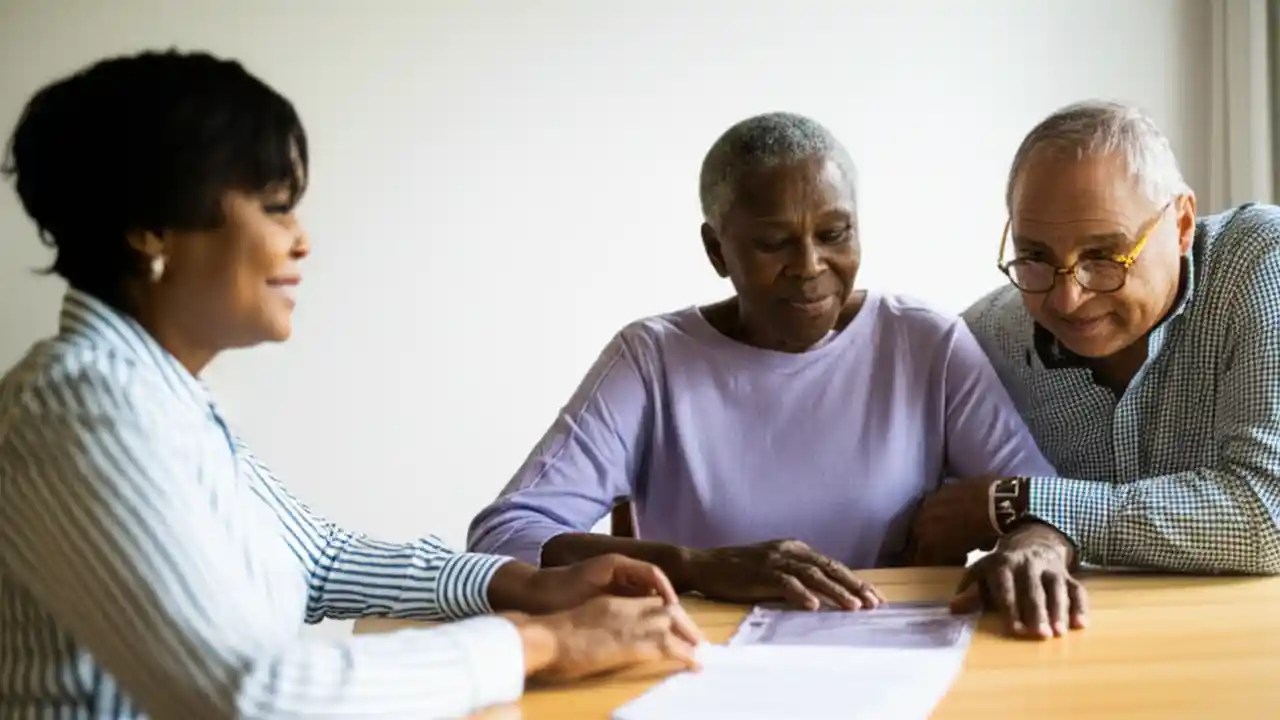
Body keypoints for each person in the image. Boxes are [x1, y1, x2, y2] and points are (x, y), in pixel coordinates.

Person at [0, 50, 702, 719]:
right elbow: (250, 698)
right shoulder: (82, 407)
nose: (301, 240)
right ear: (149, 229)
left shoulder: (157, 396)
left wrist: (525, 584)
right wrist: (544, 643)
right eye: (276, 207)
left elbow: (322, 559)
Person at [468, 112, 1056, 612]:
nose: (809, 265)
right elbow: (503, 535)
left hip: (892, 644)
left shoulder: (925, 343)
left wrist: (1028, 545)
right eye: (774, 242)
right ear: (717, 250)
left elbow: (1044, 501)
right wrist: (695, 566)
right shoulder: (651, 360)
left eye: (833, 233)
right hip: (704, 658)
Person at [922, 100, 1280, 640]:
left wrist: (1024, 504)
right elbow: (918, 512)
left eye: (1104, 256)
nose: (1068, 297)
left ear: (1181, 224)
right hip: (1072, 649)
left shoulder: (1260, 259)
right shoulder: (982, 340)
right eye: (1035, 256)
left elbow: (1267, 515)